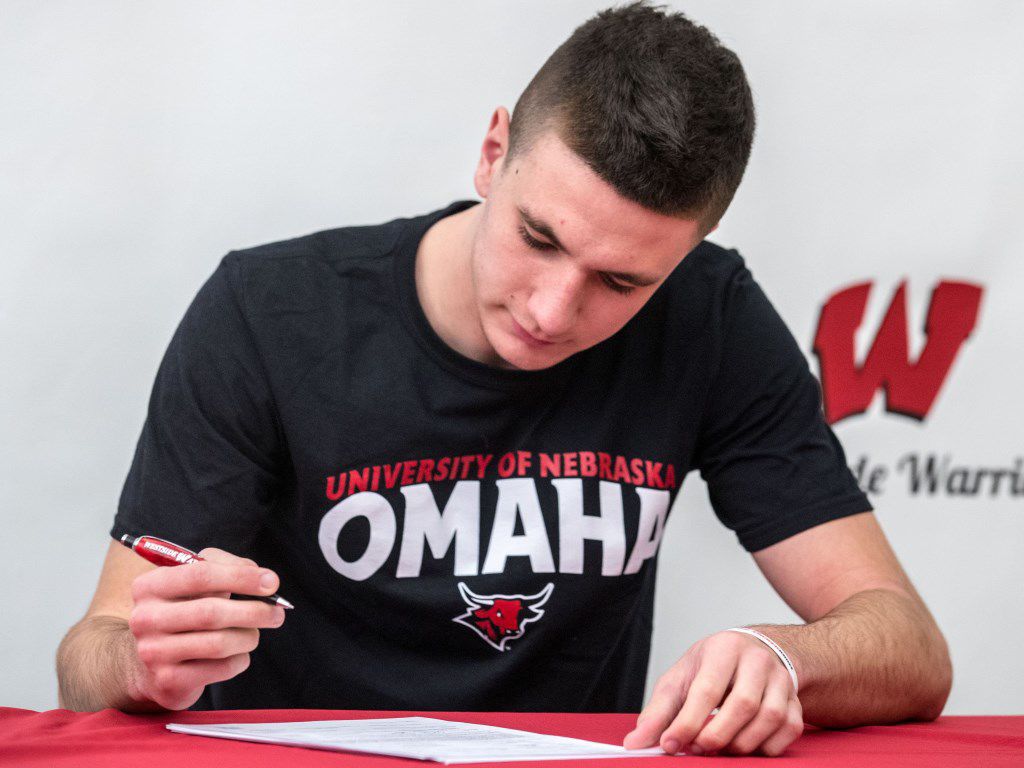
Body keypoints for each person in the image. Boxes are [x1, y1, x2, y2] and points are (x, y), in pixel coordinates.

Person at [56, 2, 952, 758]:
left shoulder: (711, 317)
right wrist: (142, 662)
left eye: (622, 282)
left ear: (681, 262)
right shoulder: (269, 312)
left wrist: (788, 656)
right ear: (493, 153)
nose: (554, 311)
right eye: (540, 237)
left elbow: (910, 648)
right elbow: (88, 653)